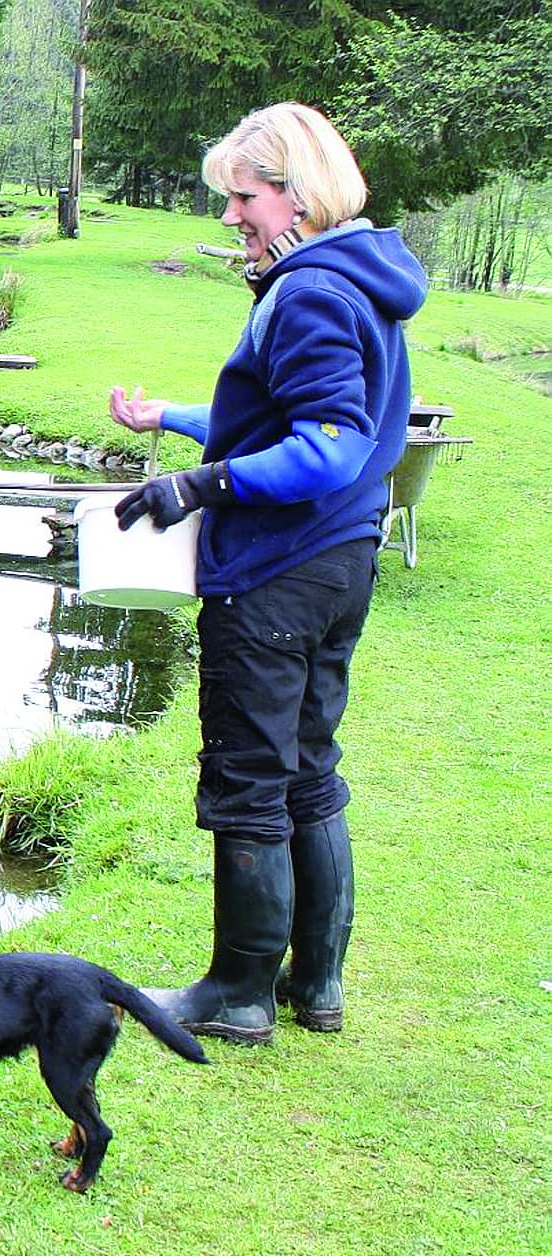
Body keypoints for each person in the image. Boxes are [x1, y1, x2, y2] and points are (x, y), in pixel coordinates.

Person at [106, 102, 427, 1045]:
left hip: (278, 573)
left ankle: (238, 992)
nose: (232, 215)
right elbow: (288, 420)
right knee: (309, 768)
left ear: (297, 192)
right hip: (341, 561)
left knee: (250, 776)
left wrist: (197, 486)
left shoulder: (310, 292)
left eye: (244, 196)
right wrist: (171, 417)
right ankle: (316, 983)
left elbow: (329, 445)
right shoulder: (359, 274)